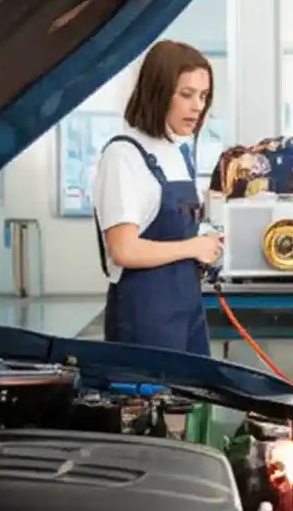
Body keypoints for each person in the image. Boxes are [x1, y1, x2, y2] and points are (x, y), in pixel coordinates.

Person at [92, 39, 224, 356]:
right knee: (151, 402)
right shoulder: (124, 155)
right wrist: (193, 247)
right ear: (158, 91)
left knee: (190, 398)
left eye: (204, 96)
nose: (198, 107)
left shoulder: (176, 152)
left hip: (187, 308)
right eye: (187, 94)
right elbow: (124, 249)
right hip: (145, 317)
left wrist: (207, 239)